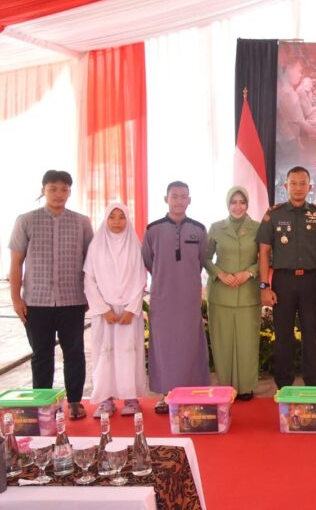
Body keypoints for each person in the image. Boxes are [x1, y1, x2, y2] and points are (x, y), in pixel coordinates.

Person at [8, 170, 93, 420]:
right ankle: (42, 404)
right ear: (43, 189)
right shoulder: (26, 220)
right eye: (53, 188)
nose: (59, 193)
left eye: (64, 189)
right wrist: (16, 298)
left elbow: (92, 262)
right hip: (36, 302)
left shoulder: (81, 222)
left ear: (70, 192)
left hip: (73, 300)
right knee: (41, 355)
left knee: (74, 353)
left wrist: (91, 296)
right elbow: (16, 263)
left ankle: (75, 401)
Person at [257, 168, 316, 390]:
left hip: (311, 281)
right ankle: (284, 385)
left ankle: (312, 383)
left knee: (311, 334)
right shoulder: (274, 214)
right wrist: (264, 286)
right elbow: (263, 252)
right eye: (293, 183)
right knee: (283, 336)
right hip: (283, 281)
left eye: (303, 183)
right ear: (285, 186)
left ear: (310, 187)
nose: (298, 188)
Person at [142, 181, 210, 413]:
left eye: (183, 197)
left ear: (189, 200)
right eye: (175, 196)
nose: (179, 201)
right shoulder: (153, 229)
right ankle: (165, 393)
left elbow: (202, 260)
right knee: (164, 345)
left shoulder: (199, 229)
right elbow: (148, 261)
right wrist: (164, 278)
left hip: (189, 297)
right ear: (166, 199)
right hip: (163, 296)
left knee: (190, 344)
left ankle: (192, 392)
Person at [83, 203, 147, 417]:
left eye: (121, 217)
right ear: (106, 220)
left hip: (129, 312)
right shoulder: (96, 246)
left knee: (129, 353)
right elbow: (89, 279)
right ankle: (106, 400)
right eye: (113, 217)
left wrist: (131, 309)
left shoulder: (134, 245)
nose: (117, 222)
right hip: (105, 312)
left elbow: (141, 279)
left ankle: (131, 399)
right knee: (105, 354)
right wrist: (103, 309)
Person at [205, 187, 262, 401]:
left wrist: (249, 272)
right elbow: (205, 257)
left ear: (247, 204)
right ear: (227, 204)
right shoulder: (216, 228)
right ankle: (226, 386)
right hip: (221, 294)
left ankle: (246, 387)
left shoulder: (258, 228)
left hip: (248, 294)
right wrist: (220, 274)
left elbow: (267, 257)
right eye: (233, 202)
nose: (237, 206)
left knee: (247, 342)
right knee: (222, 341)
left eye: (242, 202)